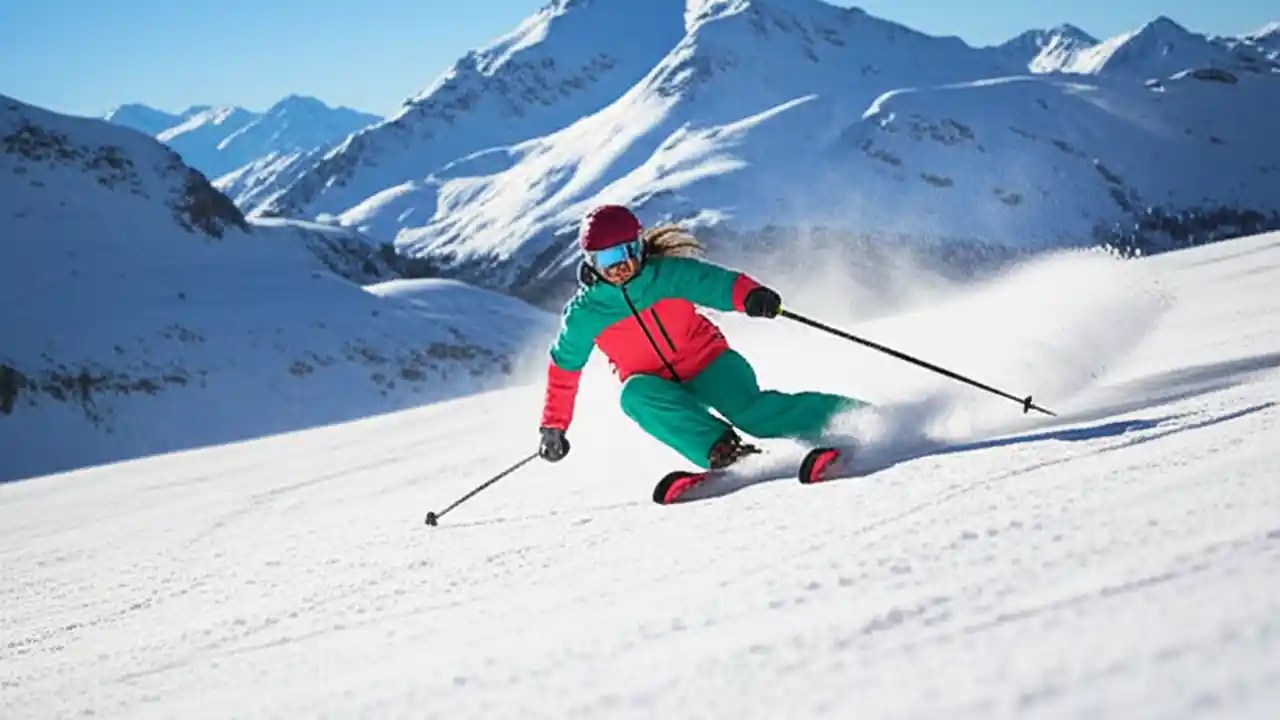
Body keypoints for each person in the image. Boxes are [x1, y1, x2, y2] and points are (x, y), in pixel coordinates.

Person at [537, 204, 867, 500]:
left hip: (708, 362)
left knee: (752, 414)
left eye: (625, 252)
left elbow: (715, 283)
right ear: (590, 263)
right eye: (606, 260)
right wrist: (554, 426)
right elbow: (564, 367)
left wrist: (750, 296)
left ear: (638, 246)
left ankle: (852, 419)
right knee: (633, 396)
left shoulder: (667, 275)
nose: (618, 266)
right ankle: (724, 451)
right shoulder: (585, 314)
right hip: (657, 386)